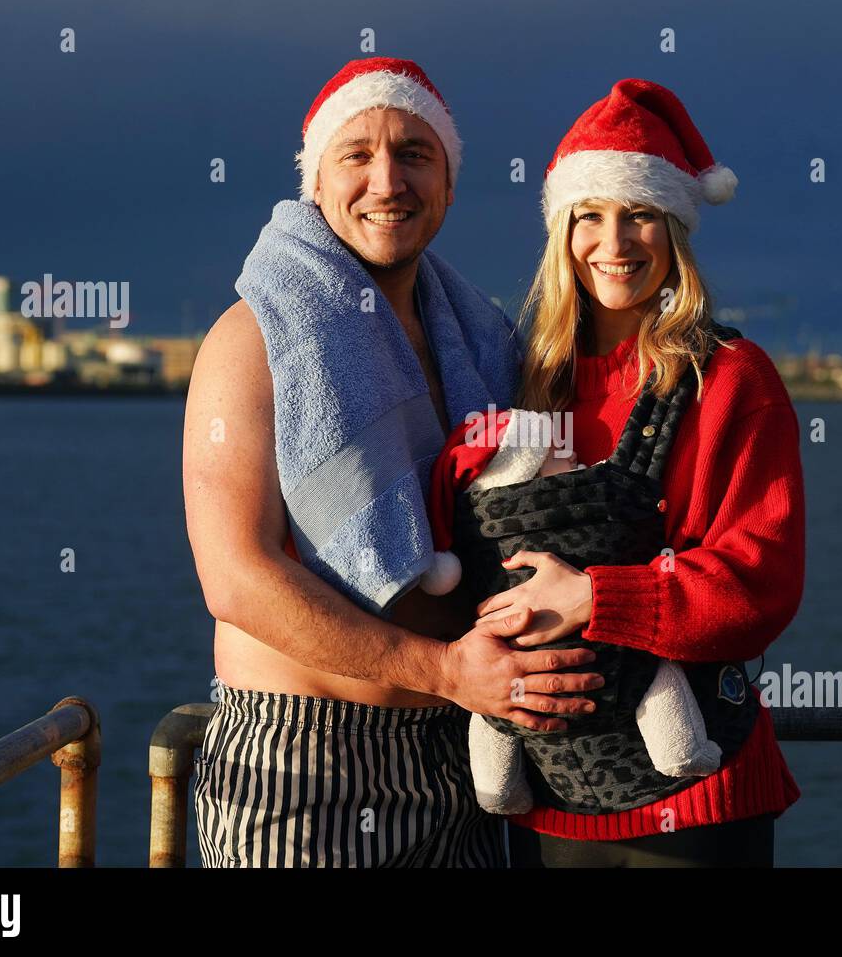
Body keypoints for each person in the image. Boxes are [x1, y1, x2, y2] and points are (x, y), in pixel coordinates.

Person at [183, 57, 602, 868]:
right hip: (301, 771)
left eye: (415, 153)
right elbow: (234, 576)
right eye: (357, 154)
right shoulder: (253, 338)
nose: (388, 179)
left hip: (461, 756)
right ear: (315, 180)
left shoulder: (483, 344)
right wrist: (444, 668)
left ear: (448, 183)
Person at [474, 78, 806, 867]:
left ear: (676, 229)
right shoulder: (522, 382)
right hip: (552, 795)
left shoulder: (731, 378)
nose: (613, 242)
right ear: (561, 232)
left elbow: (761, 582)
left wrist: (595, 596)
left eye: (640, 214)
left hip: (697, 797)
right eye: (589, 216)